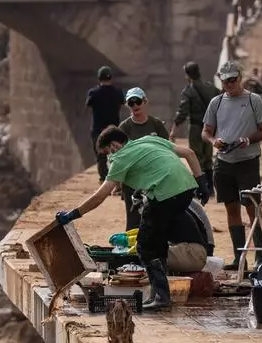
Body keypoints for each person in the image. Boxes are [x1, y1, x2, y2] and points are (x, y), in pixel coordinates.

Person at [55, 129, 211, 310]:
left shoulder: (120, 157)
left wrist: (73, 214)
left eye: (106, 153)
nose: (108, 159)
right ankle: (159, 294)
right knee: (157, 241)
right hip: (186, 190)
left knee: (144, 246)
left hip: (164, 194)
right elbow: (189, 153)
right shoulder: (149, 140)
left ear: (114, 146)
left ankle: (161, 296)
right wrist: (202, 182)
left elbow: (101, 196)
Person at [202, 61, 262, 271]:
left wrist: (248, 139)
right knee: (231, 208)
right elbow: (206, 131)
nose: (230, 84)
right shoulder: (216, 102)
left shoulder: (254, 100)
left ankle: (259, 256)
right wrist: (214, 141)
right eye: (226, 81)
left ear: (239, 78)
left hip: (248, 162)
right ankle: (239, 257)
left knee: (252, 208)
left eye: (233, 80)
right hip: (224, 162)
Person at [118, 87, 171, 230]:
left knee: (155, 219)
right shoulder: (124, 128)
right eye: (131, 103)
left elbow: (168, 149)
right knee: (134, 221)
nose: (135, 105)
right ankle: (132, 252)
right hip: (132, 181)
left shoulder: (156, 124)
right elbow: (117, 155)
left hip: (155, 179)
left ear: (145, 101)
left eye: (138, 101)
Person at [172, 61, 221, 191]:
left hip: (196, 128)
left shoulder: (189, 91)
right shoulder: (211, 87)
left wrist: (173, 130)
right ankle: (210, 188)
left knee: (197, 157)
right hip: (210, 128)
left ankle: (201, 188)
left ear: (188, 75)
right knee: (208, 158)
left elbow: (182, 112)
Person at [86, 66, 125, 182]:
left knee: (101, 156)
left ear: (99, 78)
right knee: (116, 155)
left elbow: (88, 104)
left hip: (98, 129)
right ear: (111, 78)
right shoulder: (118, 92)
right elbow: (123, 103)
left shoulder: (93, 93)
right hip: (113, 129)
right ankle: (116, 178)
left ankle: (104, 179)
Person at [166, 199, 214, 273]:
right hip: (202, 249)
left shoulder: (164, 205)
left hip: (197, 252)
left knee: (149, 255)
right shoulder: (179, 199)